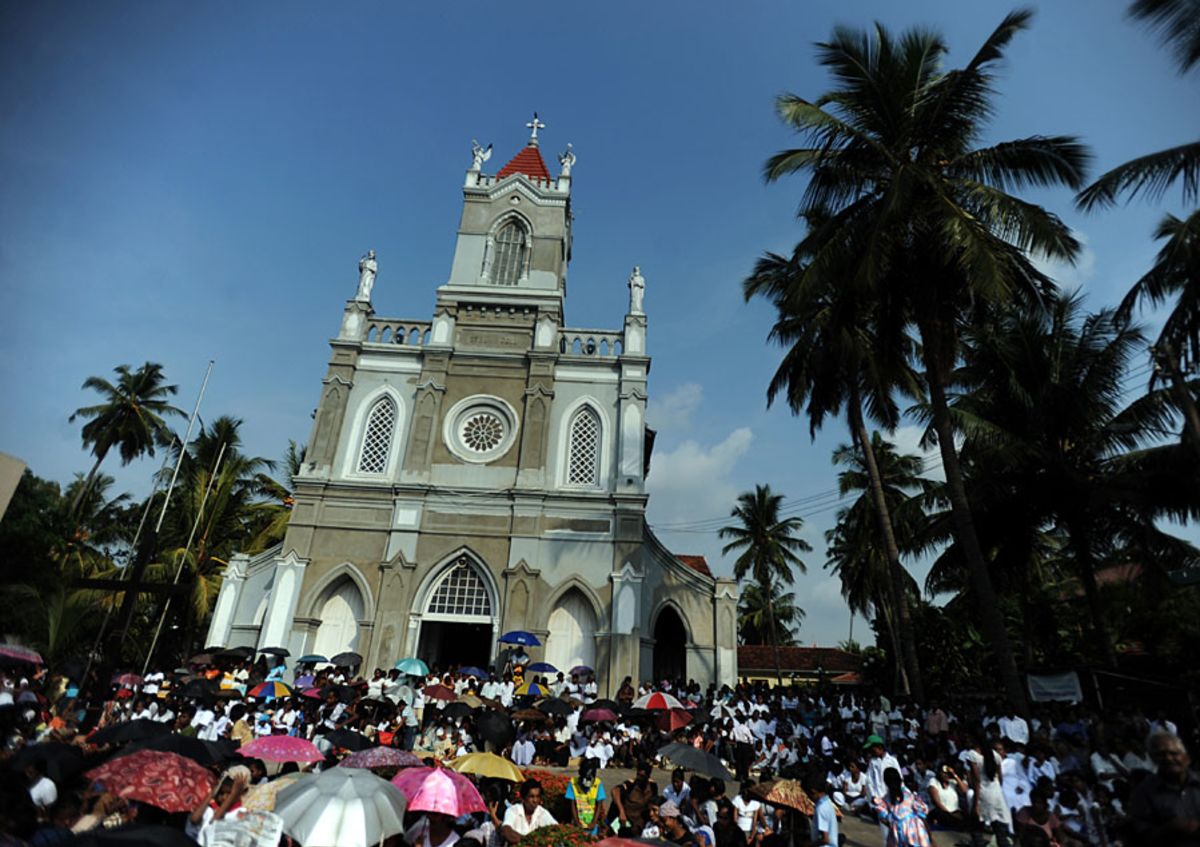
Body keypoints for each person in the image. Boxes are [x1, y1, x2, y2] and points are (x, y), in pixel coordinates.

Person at [1129, 731, 1200, 846]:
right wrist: (1171, 827)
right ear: (1153, 759)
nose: (1168, 758)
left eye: (1174, 753)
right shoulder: (1144, 792)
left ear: (1186, 757)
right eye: (1161, 754)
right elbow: (1142, 836)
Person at [965, 733, 1013, 847]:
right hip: (996, 793)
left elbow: (976, 780)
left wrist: (976, 804)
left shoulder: (972, 755)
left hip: (982, 793)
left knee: (976, 828)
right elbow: (1000, 777)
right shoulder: (995, 754)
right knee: (999, 830)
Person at [873, 767, 932, 847]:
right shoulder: (909, 795)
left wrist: (894, 824)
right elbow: (922, 815)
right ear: (900, 779)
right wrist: (930, 836)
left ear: (885, 782)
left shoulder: (885, 800)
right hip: (915, 830)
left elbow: (883, 818)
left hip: (897, 833)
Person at [501, 779, 557, 843]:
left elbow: (556, 829)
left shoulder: (543, 813)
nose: (535, 800)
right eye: (531, 797)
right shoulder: (513, 811)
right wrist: (528, 842)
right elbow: (506, 830)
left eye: (537, 796)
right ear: (523, 798)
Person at [613, 761, 659, 834]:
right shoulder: (631, 784)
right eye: (638, 775)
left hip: (641, 825)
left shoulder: (653, 787)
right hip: (627, 823)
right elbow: (615, 791)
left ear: (648, 776)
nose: (639, 778)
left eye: (642, 776)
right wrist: (621, 812)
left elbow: (655, 803)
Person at [566, 758, 607, 836]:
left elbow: (599, 805)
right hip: (578, 823)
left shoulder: (598, 784)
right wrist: (577, 822)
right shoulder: (573, 783)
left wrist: (594, 822)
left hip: (592, 824)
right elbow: (573, 805)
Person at [807, 774, 839, 846]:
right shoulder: (827, 802)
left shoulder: (821, 809)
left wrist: (810, 845)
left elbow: (825, 839)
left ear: (814, 792)